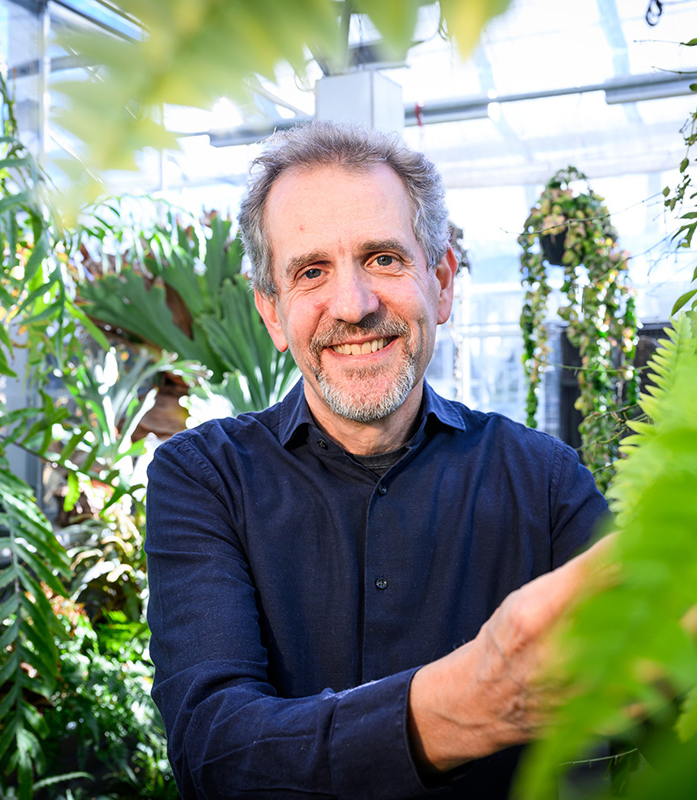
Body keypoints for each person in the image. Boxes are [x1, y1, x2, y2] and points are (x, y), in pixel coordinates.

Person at [145, 121, 611, 799]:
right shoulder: (203, 479)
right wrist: (467, 705)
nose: (355, 306)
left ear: (442, 282)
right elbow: (216, 753)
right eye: (311, 272)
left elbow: (660, 678)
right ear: (273, 315)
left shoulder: (543, 480)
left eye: (384, 259)